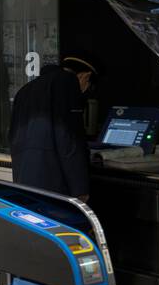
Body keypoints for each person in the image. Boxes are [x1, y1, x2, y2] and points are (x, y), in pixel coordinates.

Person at [8, 54, 99, 201]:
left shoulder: (25, 89)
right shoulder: (68, 82)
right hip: (55, 182)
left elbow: (13, 136)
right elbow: (69, 137)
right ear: (85, 76)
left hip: (25, 178)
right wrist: (80, 188)